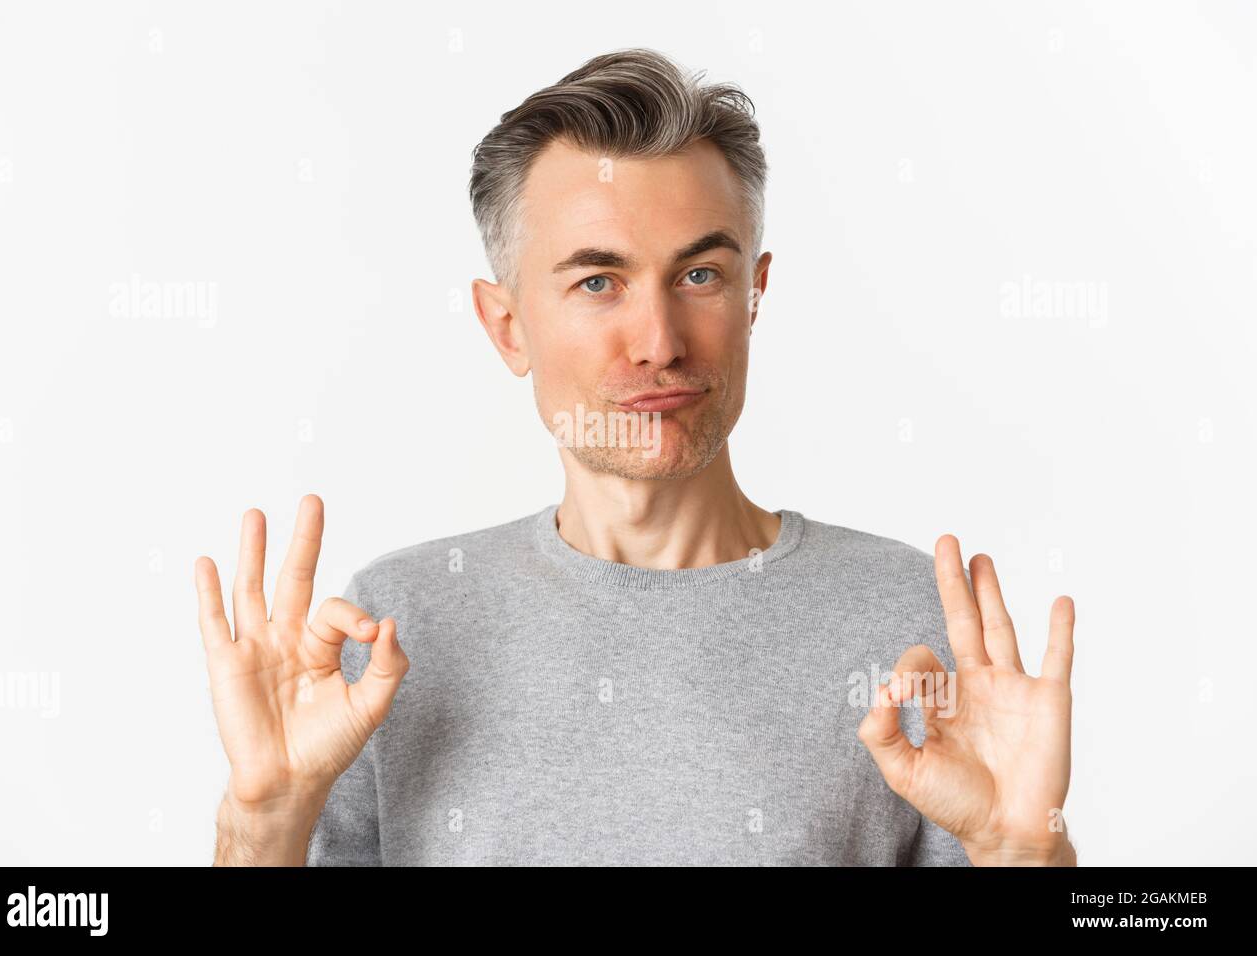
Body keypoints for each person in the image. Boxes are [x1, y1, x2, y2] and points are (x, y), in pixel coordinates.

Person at [195, 47, 1077, 866]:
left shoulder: (918, 627)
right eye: (597, 282)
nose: (658, 342)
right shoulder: (390, 631)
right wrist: (262, 824)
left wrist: (1027, 855)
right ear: (507, 327)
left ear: (754, 294)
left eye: (700, 276)